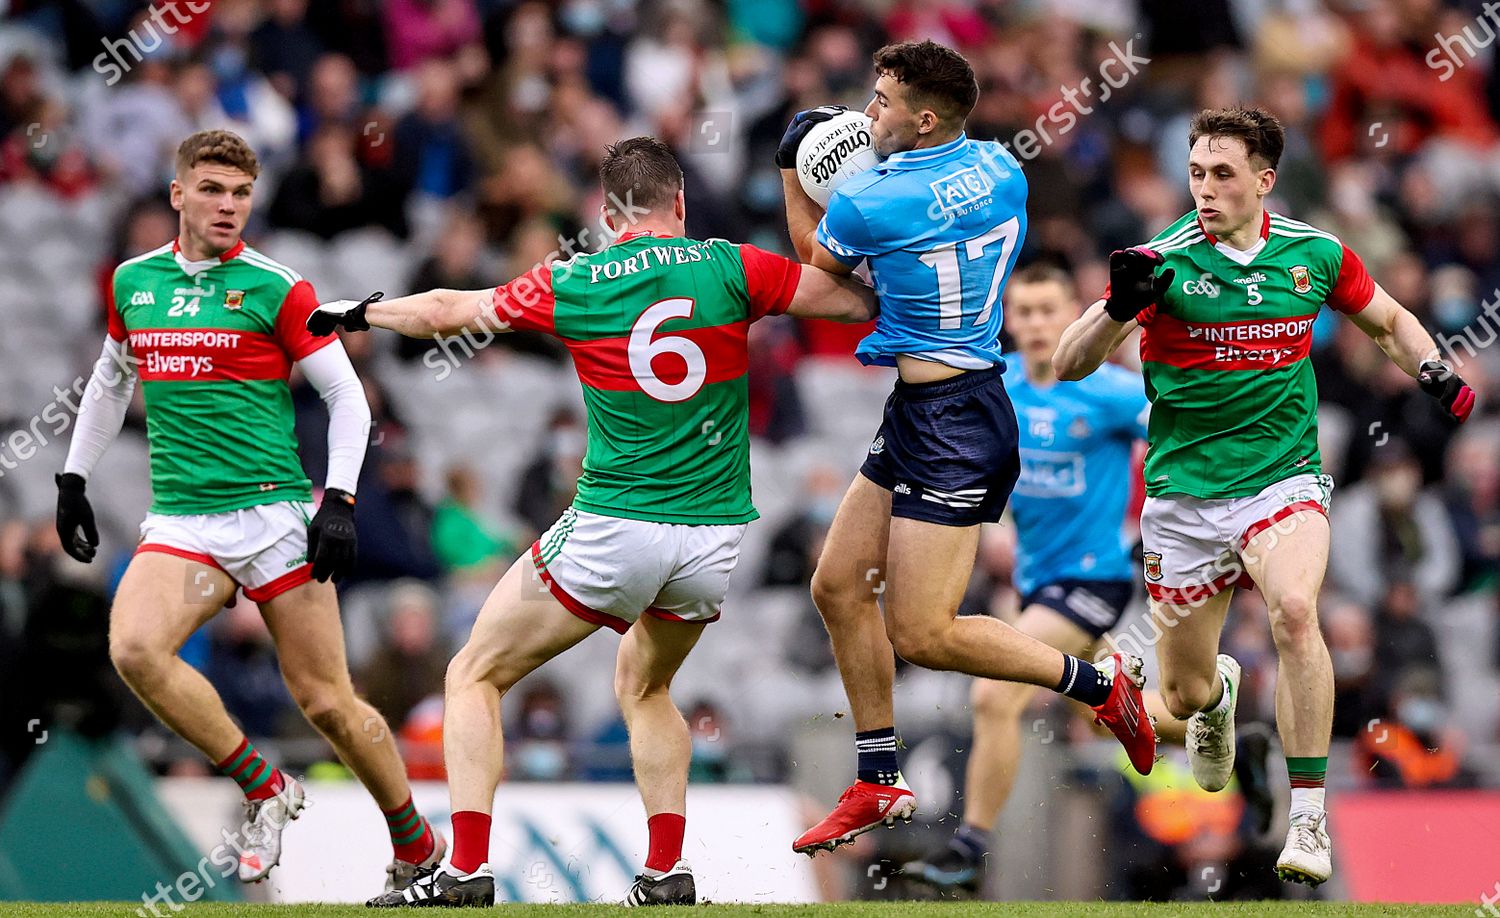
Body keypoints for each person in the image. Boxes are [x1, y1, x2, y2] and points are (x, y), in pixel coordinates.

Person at [308, 135, 877, 907]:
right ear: (679, 203)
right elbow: (847, 300)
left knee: (474, 672)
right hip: (712, 537)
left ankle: (467, 872)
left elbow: (451, 311)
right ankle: (667, 872)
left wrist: (361, 312)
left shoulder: (575, 279)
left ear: (609, 216)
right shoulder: (734, 266)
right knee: (647, 687)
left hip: (616, 524)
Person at [1052, 106, 1476, 886]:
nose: (1204, 188)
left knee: (1293, 610)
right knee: (1179, 686)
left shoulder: (1314, 255)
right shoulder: (1159, 261)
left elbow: (1384, 318)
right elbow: (1067, 365)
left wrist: (1434, 369)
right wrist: (1116, 308)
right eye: (1196, 172)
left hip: (1282, 477)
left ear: (1264, 181)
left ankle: (1306, 815)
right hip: (1183, 495)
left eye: (1222, 174)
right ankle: (1216, 701)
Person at [777, 40, 1157, 858]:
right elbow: (916, 221)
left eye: (881, 100)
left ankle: (1101, 683)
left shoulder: (869, 202)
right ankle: (879, 776)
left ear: (921, 118)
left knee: (924, 633)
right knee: (839, 585)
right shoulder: (1001, 170)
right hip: (939, 404)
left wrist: (790, 175)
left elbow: (820, 287)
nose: (866, 111)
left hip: (952, 420)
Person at [53, 130, 443, 889]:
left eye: (239, 193)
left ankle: (418, 849)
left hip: (273, 519)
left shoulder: (277, 287)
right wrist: (73, 477)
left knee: (328, 701)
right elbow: (108, 381)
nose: (227, 205)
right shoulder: (133, 282)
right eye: (211, 189)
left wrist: (340, 500)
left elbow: (347, 399)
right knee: (133, 649)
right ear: (177, 194)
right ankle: (265, 785)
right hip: (184, 522)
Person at [902, 263, 1275, 893]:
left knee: (995, 696)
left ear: (1074, 311)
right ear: (1006, 319)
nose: (1037, 323)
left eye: (1049, 310)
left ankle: (970, 850)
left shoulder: (1110, 391)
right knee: (1113, 715)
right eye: (1023, 311)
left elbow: (1184, 438)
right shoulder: (996, 386)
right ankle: (1236, 739)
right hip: (1035, 582)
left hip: (1094, 581)